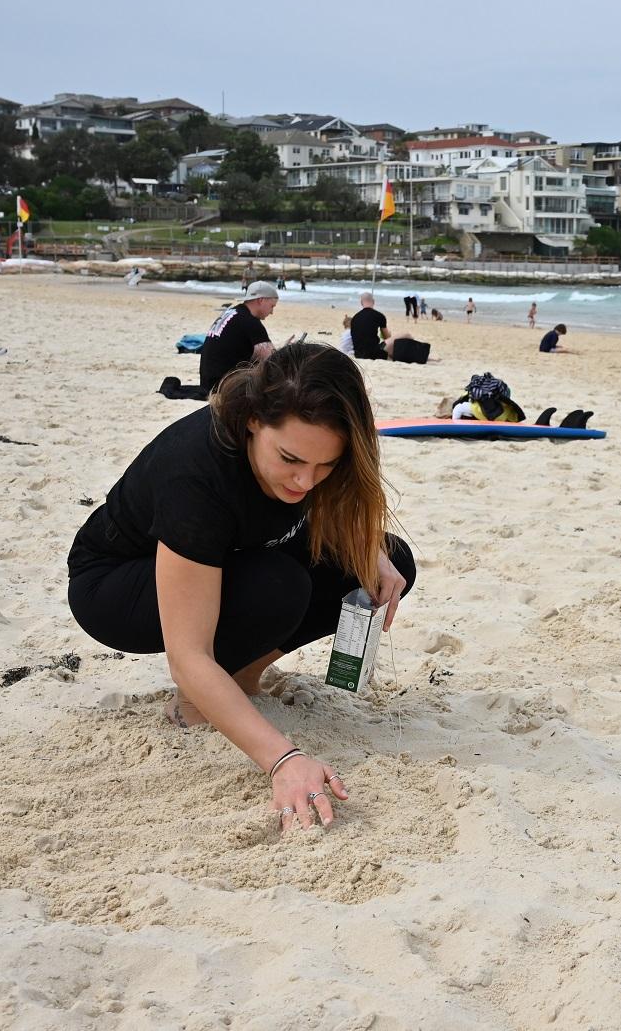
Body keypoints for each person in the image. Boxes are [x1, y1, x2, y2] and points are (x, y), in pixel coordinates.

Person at [67, 343, 417, 832]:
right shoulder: (198, 473)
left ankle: (239, 675)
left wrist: (370, 554)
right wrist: (284, 760)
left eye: (325, 466)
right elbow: (186, 653)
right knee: (276, 586)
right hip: (118, 584)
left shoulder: (311, 465)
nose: (305, 480)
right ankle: (195, 702)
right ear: (253, 420)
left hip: (234, 554)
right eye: (290, 459)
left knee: (388, 561)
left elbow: (326, 508)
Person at [199, 281, 278, 397]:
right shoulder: (250, 322)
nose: (272, 312)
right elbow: (273, 360)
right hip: (224, 387)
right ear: (261, 300)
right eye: (272, 306)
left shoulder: (231, 313)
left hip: (208, 382)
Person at [346, 291, 391, 361]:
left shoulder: (355, 318)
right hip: (374, 354)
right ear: (373, 301)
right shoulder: (379, 316)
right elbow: (387, 338)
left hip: (358, 354)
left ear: (361, 302)